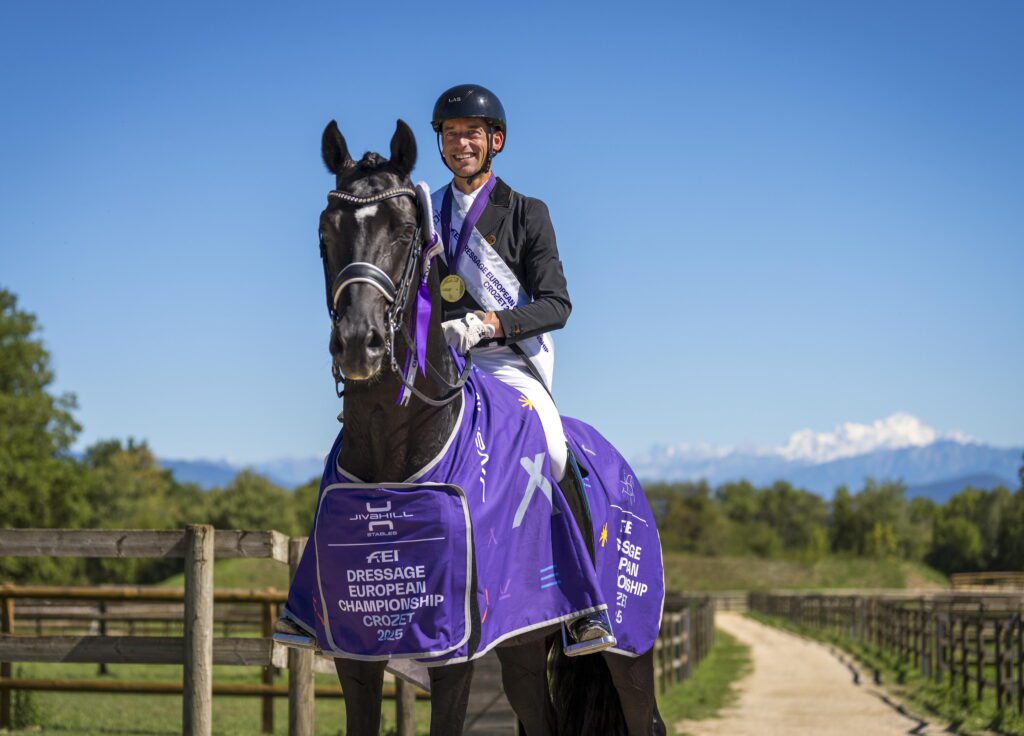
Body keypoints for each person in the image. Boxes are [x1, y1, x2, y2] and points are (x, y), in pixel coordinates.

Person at [430, 84, 613, 652]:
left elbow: (556, 304)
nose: (461, 142)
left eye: (471, 133)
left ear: (495, 142)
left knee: (554, 452)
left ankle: (585, 603)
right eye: (451, 133)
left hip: (506, 360)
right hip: (440, 358)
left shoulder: (527, 212)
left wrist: (489, 324)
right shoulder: (424, 212)